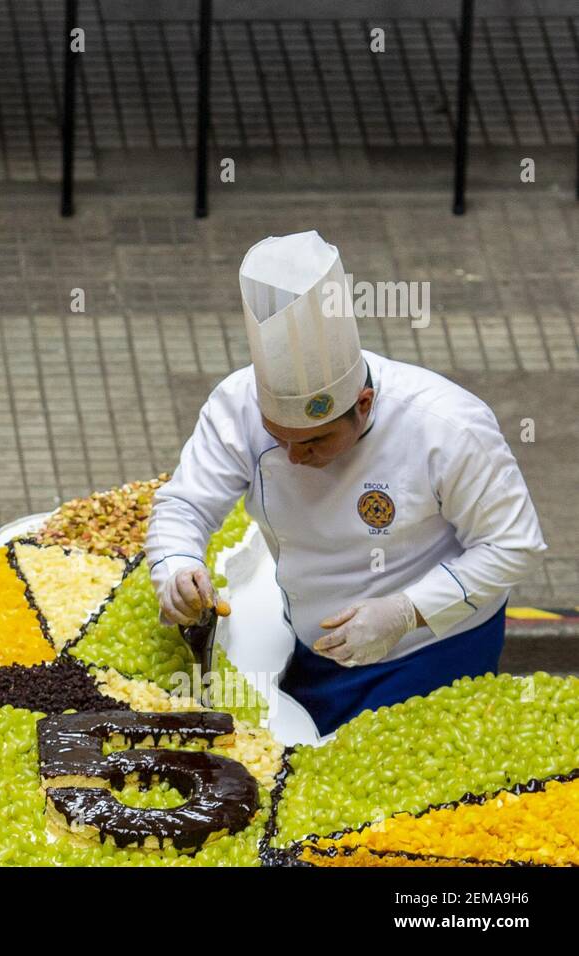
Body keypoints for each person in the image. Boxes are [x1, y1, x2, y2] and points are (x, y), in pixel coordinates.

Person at [145, 230, 546, 735]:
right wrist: (177, 567)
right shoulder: (236, 403)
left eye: (313, 442)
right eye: (278, 438)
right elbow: (185, 506)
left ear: (363, 406)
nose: (293, 456)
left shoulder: (447, 426)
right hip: (311, 644)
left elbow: (514, 545)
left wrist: (405, 612)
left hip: (433, 650)